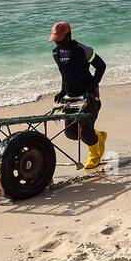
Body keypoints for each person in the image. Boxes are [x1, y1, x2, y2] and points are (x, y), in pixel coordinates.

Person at [49, 21, 109, 170]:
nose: (57, 43)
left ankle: (95, 155)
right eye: (55, 40)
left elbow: (101, 66)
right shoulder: (55, 53)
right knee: (71, 133)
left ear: (68, 36)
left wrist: (91, 88)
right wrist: (63, 91)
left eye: (59, 40)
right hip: (71, 97)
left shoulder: (84, 50)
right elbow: (65, 74)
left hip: (89, 95)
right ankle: (99, 136)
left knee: (85, 132)